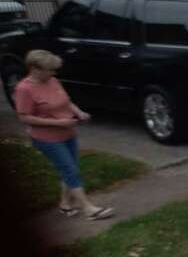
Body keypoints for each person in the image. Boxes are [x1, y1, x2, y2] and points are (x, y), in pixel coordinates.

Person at [13, 50, 114, 220]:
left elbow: (66, 102)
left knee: (70, 170)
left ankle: (65, 205)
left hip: (68, 133)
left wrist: (79, 112)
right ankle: (88, 209)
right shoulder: (24, 89)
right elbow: (24, 117)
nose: (53, 73)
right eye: (49, 69)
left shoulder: (53, 81)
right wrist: (57, 123)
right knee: (70, 170)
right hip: (46, 138)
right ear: (34, 68)